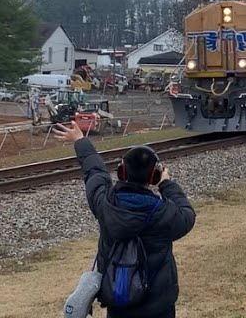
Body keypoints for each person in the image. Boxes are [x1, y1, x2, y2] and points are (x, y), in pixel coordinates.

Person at [53, 121, 195, 318]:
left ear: (122, 172)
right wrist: (167, 185)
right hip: (158, 307)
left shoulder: (105, 204)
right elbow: (187, 215)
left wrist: (80, 141)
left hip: (119, 301)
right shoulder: (164, 213)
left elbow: (95, 173)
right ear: (154, 176)